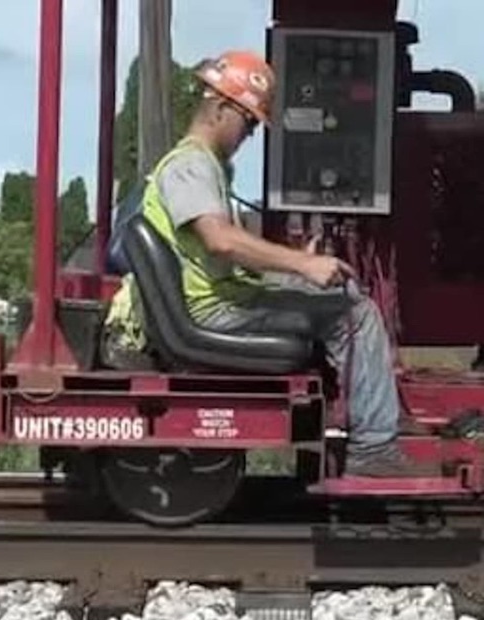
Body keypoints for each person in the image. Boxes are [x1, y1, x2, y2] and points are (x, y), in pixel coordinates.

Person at [102, 50, 438, 478]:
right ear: (222, 108)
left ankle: (375, 413)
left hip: (222, 298)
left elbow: (220, 251)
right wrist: (301, 264)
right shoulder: (190, 165)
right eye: (249, 121)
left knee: (339, 291)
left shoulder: (206, 167)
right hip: (215, 311)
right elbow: (221, 240)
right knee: (356, 313)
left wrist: (297, 266)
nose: (250, 133)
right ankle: (373, 447)